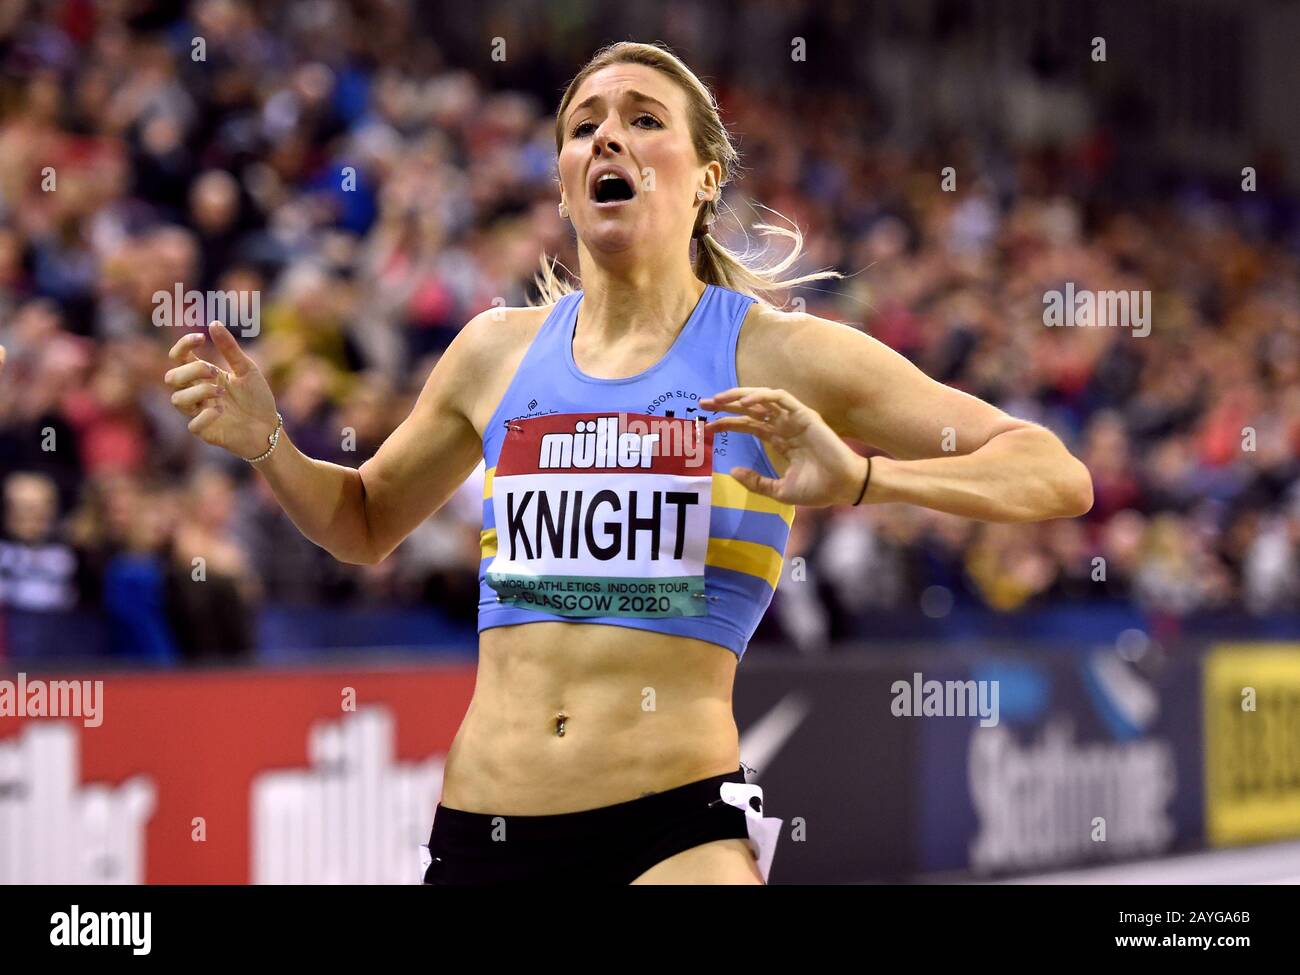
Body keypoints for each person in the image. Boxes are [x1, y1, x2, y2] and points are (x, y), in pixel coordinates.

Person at [163, 42, 1092, 885]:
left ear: (704, 180)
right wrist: (270, 445)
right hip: (486, 828)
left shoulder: (780, 353)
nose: (609, 135)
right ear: (565, 187)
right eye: (583, 126)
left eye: (645, 118)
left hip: (673, 831)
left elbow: (1052, 472)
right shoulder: (494, 353)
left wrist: (862, 480)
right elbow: (362, 522)